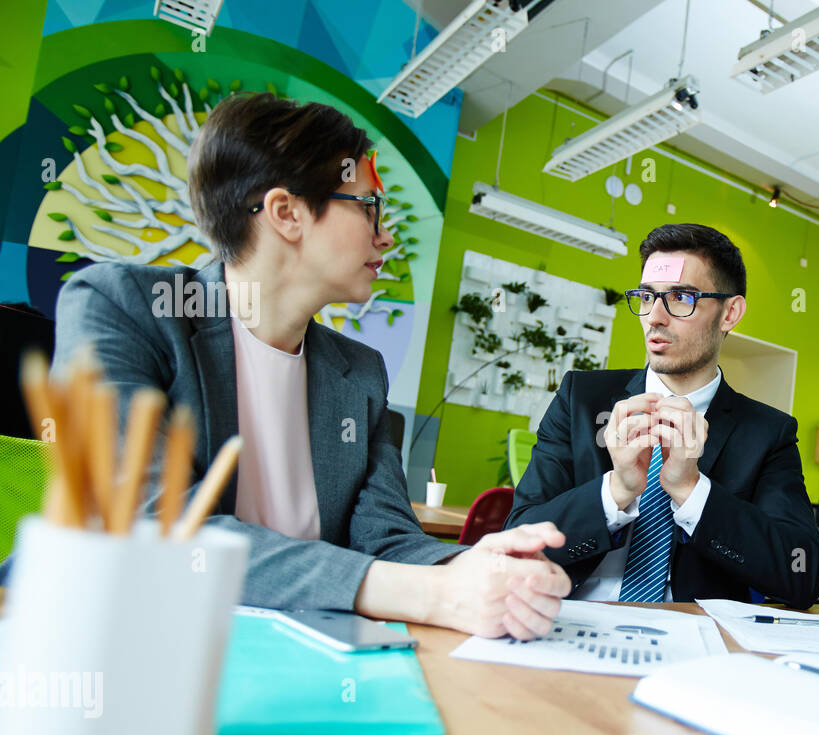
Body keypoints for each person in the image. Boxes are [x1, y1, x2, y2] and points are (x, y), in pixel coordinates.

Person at [28, 93, 570, 639]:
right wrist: (429, 594)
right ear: (286, 213)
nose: (385, 236)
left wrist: (474, 568)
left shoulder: (360, 371)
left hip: (298, 649)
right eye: (368, 206)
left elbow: (385, 537)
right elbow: (147, 526)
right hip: (121, 641)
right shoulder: (123, 307)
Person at [506, 223, 819, 608]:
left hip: (693, 641)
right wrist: (617, 489)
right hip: (571, 619)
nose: (655, 317)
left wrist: (692, 492)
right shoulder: (581, 399)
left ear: (730, 313)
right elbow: (517, 540)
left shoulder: (766, 433)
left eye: (681, 297)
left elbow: (802, 572)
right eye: (647, 296)